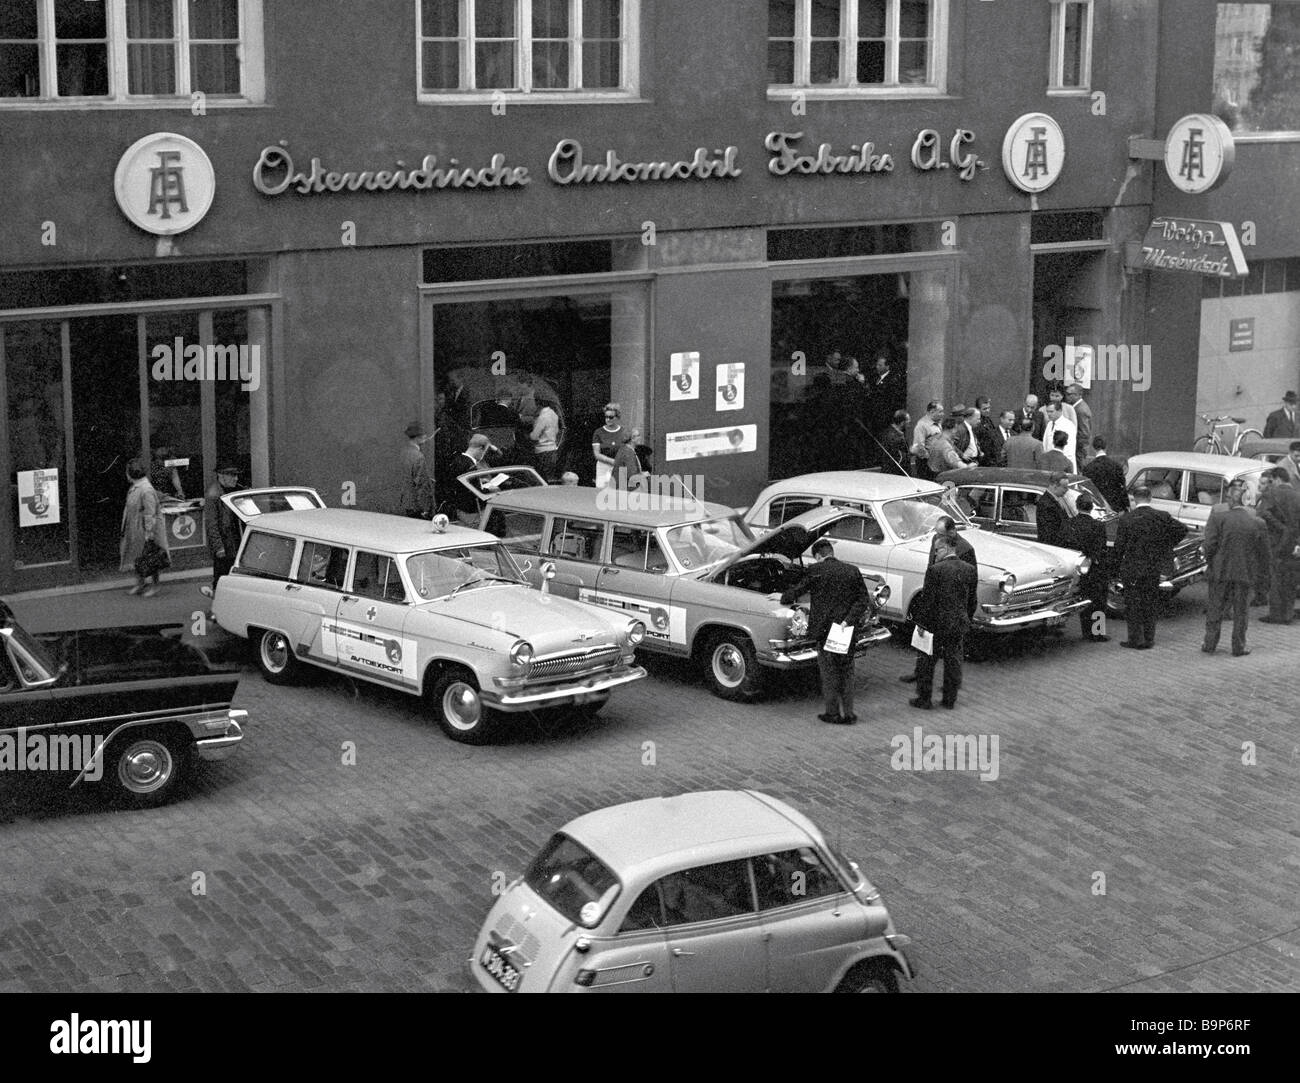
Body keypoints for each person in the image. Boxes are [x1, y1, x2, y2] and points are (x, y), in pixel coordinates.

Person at [779, 538, 872, 725]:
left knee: (829, 673)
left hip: (824, 629)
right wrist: (848, 620)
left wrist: (782, 597)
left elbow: (796, 591)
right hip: (845, 630)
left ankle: (832, 713)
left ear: (818, 556)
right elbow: (863, 600)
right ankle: (849, 714)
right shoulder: (852, 570)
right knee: (847, 671)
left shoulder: (815, 570)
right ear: (831, 552)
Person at [1113, 486, 1188, 649]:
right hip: (1153, 566)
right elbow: (1182, 529)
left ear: (1134, 499)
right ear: (1150, 498)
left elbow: (1119, 547)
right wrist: (1166, 545)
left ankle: (1134, 638)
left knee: (1133, 604)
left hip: (1133, 567)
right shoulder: (1161, 516)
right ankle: (1149, 638)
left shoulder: (1126, 519)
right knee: (1150, 603)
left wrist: (1116, 568)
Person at [909, 533, 978, 710]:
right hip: (958, 623)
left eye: (937, 550)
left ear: (946, 548)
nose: (935, 554)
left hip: (936, 624)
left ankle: (924, 699)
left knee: (927, 661)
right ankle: (949, 699)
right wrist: (966, 618)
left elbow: (928, 600)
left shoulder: (935, 570)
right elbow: (972, 600)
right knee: (953, 661)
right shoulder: (969, 569)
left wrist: (921, 624)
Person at [1202, 478, 1270, 655]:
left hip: (1220, 570)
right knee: (1241, 611)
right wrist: (1262, 575)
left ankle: (1210, 643)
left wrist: (1211, 563)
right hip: (1245, 572)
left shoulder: (1218, 517)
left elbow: (1209, 544)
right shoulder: (1257, 522)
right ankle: (1238, 646)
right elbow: (1263, 553)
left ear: (1230, 500)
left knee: (1215, 608)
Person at [1059, 492, 1110, 641]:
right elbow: (1100, 549)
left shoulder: (1068, 524)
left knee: (1082, 600)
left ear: (1077, 506)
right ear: (1092, 507)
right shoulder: (1098, 526)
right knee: (1098, 602)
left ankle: (1085, 630)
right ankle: (1097, 633)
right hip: (1094, 570)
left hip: (1075, 568)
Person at [120, 458, 169, 598]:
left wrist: (149, 532)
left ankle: (155, 585)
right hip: (136, 527)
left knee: (151, 556)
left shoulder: (145, 489)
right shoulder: (137, 486)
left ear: (131, 473)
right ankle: (141, 583)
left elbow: (150, 512)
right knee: (138, 556)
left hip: (145, 529)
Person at [1257, 466, 1300, 625]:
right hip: (1294, 542)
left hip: (1276, 542)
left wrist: (1280, 527)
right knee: (1290, 579)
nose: (1271, 483)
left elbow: (1263, 513)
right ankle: (1288, 613)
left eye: (1271, 481)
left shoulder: (1271, 494)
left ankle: (1276, 614)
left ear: (1277, 479)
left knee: (1276, 578)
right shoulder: (1297, 495)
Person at [199, 465, 243, 603]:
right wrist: (218, 546)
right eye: (232, 475)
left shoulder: (232, 490)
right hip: (225, 541)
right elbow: (212, 523)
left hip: (233, 538)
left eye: (236, 475)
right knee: (222, 573)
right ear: (221, 476)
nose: (236, 478)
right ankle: (218, 602)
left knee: (230, 572)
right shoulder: (213, 495)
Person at [448, 433, 491, 526]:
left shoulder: (457, 460)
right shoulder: (470, 466)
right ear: (481, 449)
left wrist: (480, 482)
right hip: (472, 513)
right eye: (485, 451)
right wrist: (491, 489)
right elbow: (475, 492)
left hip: (460, 509)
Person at [1082, 436, 1129, 511]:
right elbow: (1122, 488)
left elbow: (1086, 491)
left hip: (1098, 508)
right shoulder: (1116, 466)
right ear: (1106, 447)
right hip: (1116, 507)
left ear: (1093, 448)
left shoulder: (1088, 469)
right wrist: (1126, 505)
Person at [398, 422, 434, 518]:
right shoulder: (418, 456)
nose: (426, 437)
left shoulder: (403, 452)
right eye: (423, 435)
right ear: (418, 437)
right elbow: (422, 484)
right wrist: (425, 508)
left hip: (404, 502)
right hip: (415, 506)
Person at [591, 403, 626, 489]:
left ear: (617, 417)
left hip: (619, 467)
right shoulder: (598, 432)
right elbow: (597, 454)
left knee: (619, 492)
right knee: (601, 492)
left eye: (611, 417)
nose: (607, 419)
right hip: (603, 467)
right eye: (606, 417)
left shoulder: (624, 432)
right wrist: (612, 461)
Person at [1035, 473, 1073, 547]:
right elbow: (1050, 533)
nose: (1067, 490)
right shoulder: (1046, 504)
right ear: (1055, 486)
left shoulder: (1057, 499)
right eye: (1065, 487)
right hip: (1052, 547)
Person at [910, 401, 944, 480]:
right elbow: (918, 447)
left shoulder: (938, 423)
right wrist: (930, 458)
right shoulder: (922, 425)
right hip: (926, 463)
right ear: (932, 412)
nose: (943, 414)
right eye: (940, 412)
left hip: (936, 462)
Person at [530, 397, 561, 481]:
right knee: (550, 477)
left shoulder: (542, 417)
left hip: (542, 451)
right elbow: (557, 430)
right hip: (552, 449)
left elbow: (534, 436)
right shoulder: (554, 414)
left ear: (538, 403)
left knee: (542, 479)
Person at [1041, 402, 1077, 471]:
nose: (1049, 414)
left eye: (1051, 411)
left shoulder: (1068, 425)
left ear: (1060, 411)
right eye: (1047, 412)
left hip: (1063, 466)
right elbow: (1045, 445)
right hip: (1049, 464)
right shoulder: (1049, 424)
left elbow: (1069, 450)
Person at [878, 410, 911, 475]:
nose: (909, 422)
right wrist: (911, 452)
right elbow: (897, 458)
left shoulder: (891, 432)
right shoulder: (892, 437)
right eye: (908, 420)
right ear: (902, 422)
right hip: (894, 473)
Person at [1065, 384, 1092, 454]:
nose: (1066, 396)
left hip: (1078, 449)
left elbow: (1084, 433)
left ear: (1078, 395)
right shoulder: (1076, 407)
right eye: (1066, 393)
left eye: (1069, 394)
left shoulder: (1081, 410)